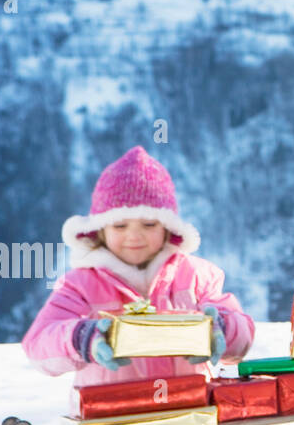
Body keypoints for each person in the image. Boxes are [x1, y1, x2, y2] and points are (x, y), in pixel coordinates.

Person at [21, 146, 254, 387]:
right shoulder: (80, 286)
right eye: (120, 226)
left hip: (191, 412)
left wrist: (221, 330)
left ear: (168, 228)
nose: (134, 237)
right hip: (110, 417)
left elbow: (242, 335)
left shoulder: (197, 276)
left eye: (149, 224)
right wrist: (82, 338)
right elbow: (38, 344)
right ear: (101, 229)